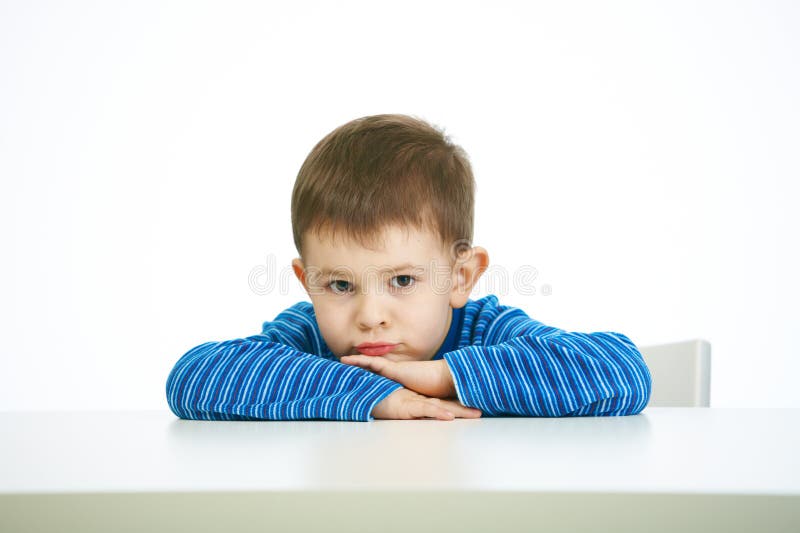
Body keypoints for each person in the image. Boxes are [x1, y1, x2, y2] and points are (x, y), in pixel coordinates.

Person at [165, 114, 652, 422]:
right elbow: (191, 377)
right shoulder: (308, 338)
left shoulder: (486, 332)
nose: (370, 315)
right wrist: (373, 394)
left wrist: (444, 377)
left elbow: (623, 368)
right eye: (339, 284)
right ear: (306, 283)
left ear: (459, 277)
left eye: (401, 280)